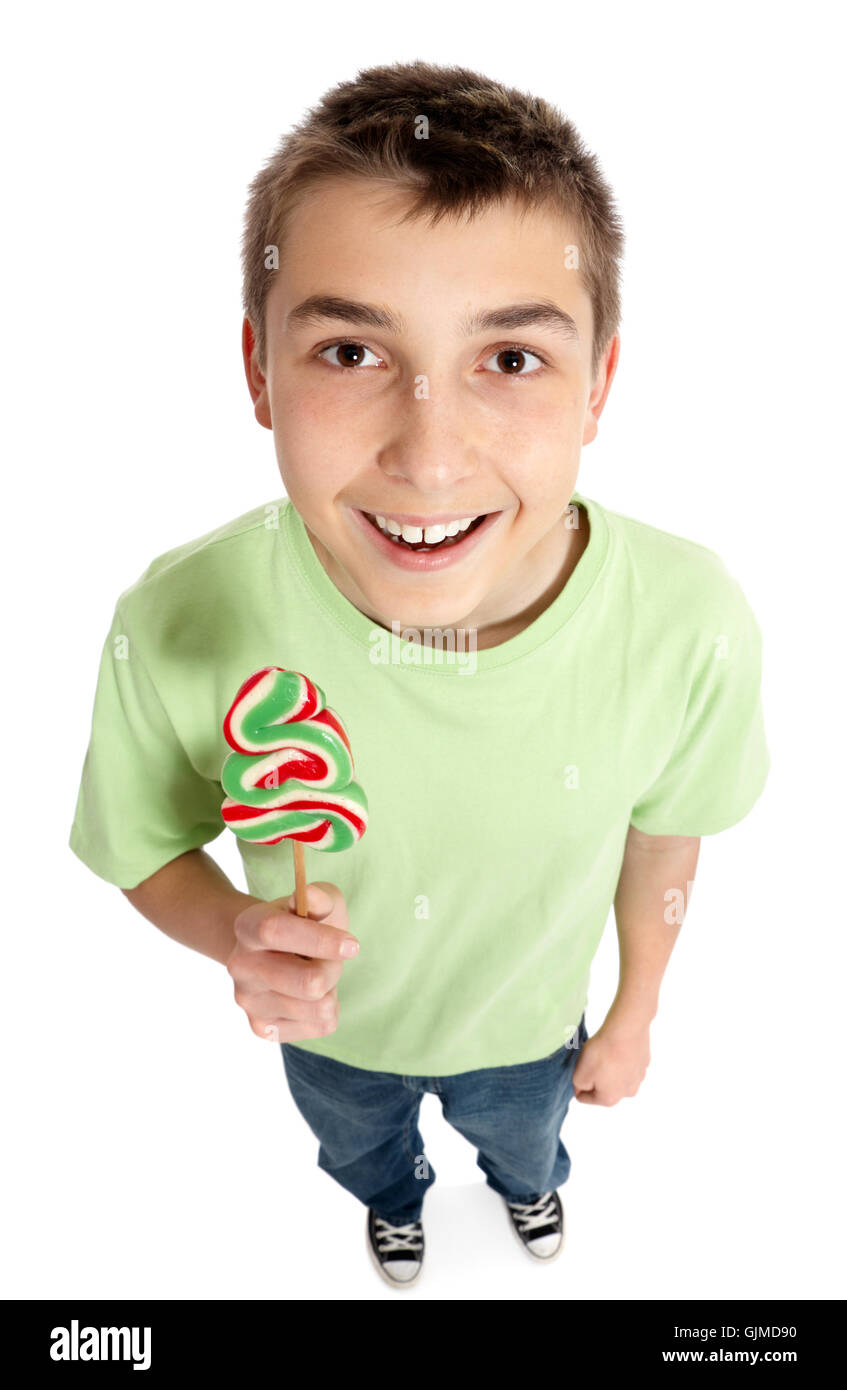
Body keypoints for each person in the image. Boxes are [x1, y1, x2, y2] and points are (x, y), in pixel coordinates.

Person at [69, 61, 770, 1290]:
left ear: (598, 382)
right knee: (363, 1153)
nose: (429, 453)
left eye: (510, 360)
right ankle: (394, 1206)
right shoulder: (177, 616)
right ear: (258, 374)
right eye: (348, 350)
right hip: (339, 1042)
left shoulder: (684, 619)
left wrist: (635, 1010)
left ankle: (526, 1190)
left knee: (526, 1143)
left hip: (528, 1033)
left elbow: (665, 833)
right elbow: (141, 845)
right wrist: (235, 930)